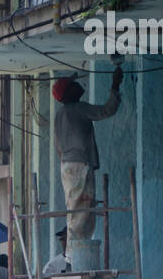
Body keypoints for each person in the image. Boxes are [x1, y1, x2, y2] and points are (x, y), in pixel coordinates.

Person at [52, 66, 122, 242]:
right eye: (73, 85)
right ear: (67, 93)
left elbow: (58, 147)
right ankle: (77, 254)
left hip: (67, 166)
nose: (78, 85)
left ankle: (77, 252)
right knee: (82, 211)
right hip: (79, 165)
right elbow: (107, 110)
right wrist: (115, 85)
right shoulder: (78, 108)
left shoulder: (60, 115)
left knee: (76, 210)